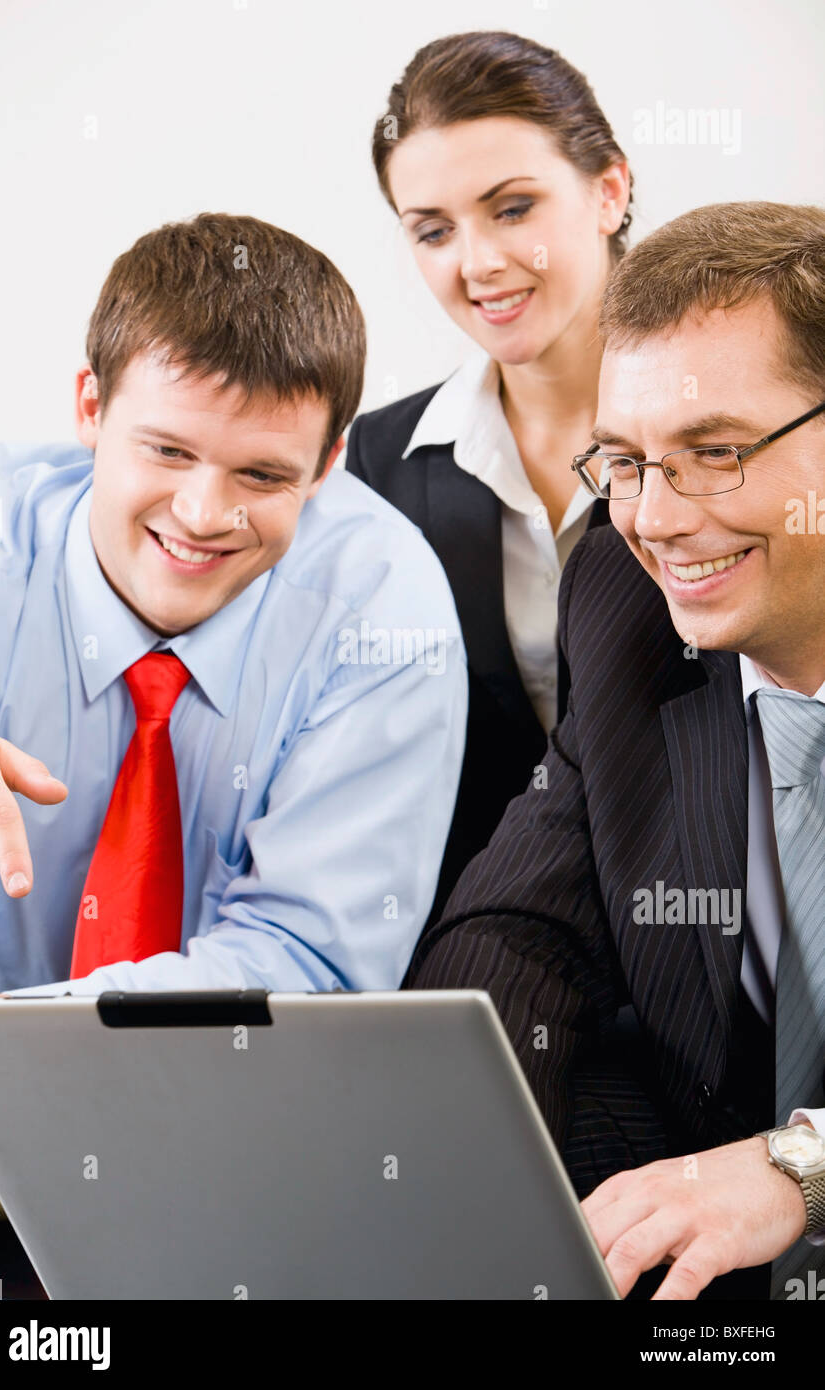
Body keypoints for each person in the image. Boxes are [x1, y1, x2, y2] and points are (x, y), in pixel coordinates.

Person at [408, 201, 825, 1301]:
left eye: (713, 453)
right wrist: (441, 1168)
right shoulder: (620, 597)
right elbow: (521, 925)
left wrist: (804, 1167)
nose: (654, 517)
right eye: (625, 461)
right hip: (711, 1202)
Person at [0, 211, 466, 1003]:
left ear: (328, 463)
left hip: (238, 1055)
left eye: (262, 476)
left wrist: (9, 1050)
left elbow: (306, 963)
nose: (201, 514)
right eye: (167, 450)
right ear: (91, 409)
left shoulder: (384, 608)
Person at [346, 31, 630, 914]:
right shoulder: (374, 463)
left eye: (512, 209)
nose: (476, 263)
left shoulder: (739, 434)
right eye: (433, 231)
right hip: (479, 959)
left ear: (609, 192)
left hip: (729, 962)